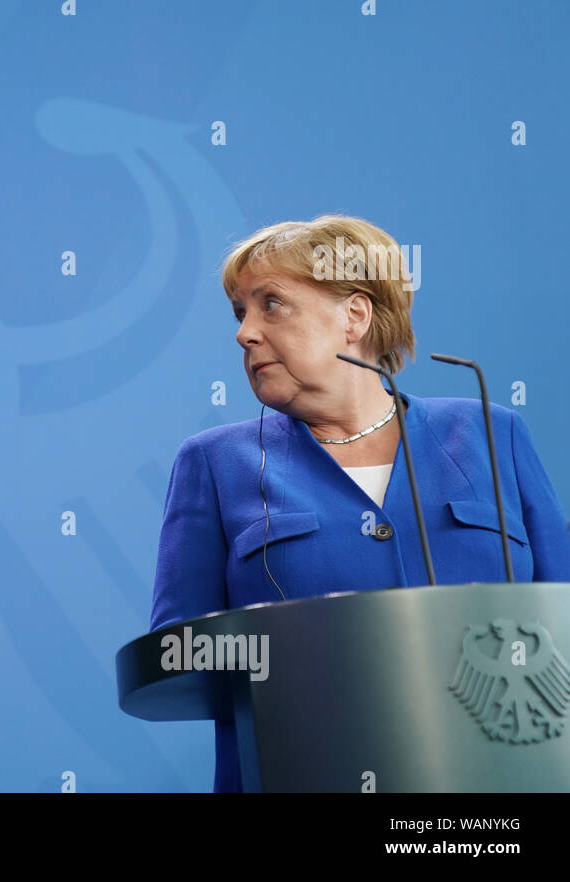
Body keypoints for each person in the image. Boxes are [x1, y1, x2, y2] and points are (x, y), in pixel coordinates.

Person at [149, 215, 570, 792]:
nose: (245, 333)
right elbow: (177, 655)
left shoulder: (493, 434)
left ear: (354, 315)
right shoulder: (214, 464)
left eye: (270, 304)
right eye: (239, 312)